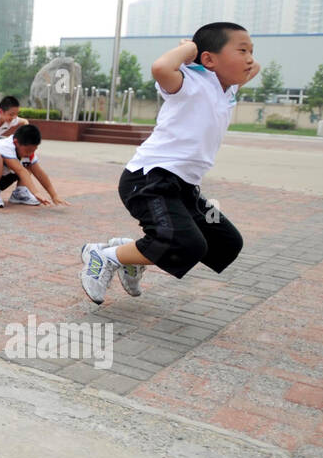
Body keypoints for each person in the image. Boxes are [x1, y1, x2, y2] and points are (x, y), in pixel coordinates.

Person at [79, 23, 260, 304]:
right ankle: (104, 256)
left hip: (186, 188)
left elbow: (254, 68)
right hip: (149, 179)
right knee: (186, 244)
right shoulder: (190, 81)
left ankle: (131, 255)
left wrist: (238, 56)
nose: (250, 59)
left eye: (251, 50)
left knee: (226, 242)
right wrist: (189, 49)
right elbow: (161, 68)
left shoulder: (227, 90)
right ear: (209, 59)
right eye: (242, 50)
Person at [0, 123, 69, 209]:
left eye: (34, 150)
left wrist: (54, 195)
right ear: (16, 142)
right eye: (28, 150)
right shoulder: (5, 145)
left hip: (0, 181)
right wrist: (36, 192)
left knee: (28, 162)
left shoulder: (27, 152)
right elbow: (21, 171)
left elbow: (40, 173)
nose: (30, 152)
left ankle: (20, 193)